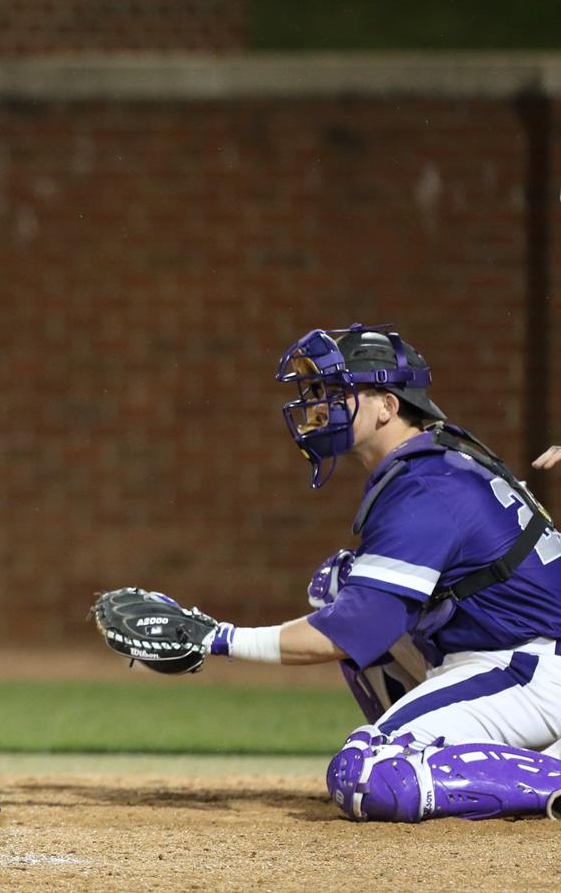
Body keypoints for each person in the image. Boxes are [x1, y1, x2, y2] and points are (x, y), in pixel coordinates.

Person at [138, 325, 561, 822]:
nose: (320, 405)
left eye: (339, 392)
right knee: (337, 582)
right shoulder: (440, 459)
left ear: (387, 405)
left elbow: (357, 628)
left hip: (532, 668)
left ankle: (522, 772)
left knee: (366, 775)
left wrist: (218, 639)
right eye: (319, 392)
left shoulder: (426, 483)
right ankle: (442, 750)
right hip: (511, 655)